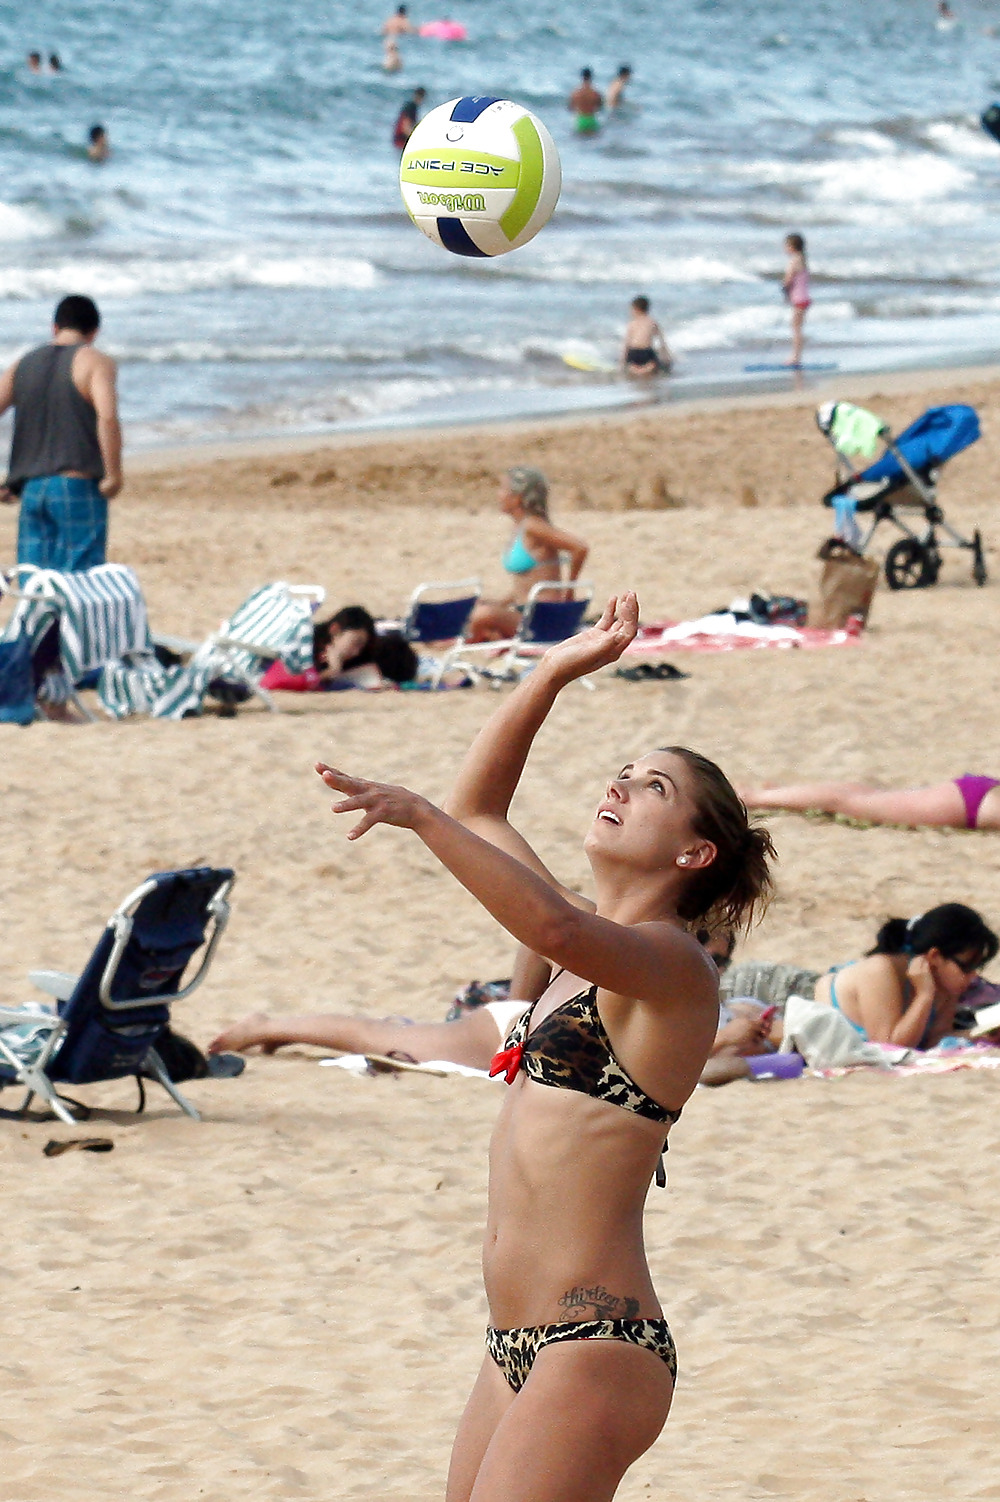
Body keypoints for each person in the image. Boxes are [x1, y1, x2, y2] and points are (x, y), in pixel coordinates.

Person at [313, 591, 775, 1501]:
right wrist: (555, 670)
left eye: (654, 789)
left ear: (694, 855)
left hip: (596, 1344)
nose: (620, 787)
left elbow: (551, 923)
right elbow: (479, 805)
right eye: (623, 771)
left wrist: (415, 816)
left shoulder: (671, 967)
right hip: (512, 1346)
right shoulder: (585, 958)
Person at [0, 295, 123, 572]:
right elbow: (107, 418)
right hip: (76, 484)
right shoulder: (94, 361)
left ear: (54, 327)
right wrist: (114, 474)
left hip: (31, 488)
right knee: (78, 582)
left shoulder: (24, 363)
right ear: (94, 332)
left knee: (35, 584)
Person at [815, 905, 997, 1048]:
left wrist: (983, 1034)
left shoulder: (945, 982)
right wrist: (924, 995)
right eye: (966, 967)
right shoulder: (880, 970)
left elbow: (934, 1040)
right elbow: (889, 1047)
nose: (973, 976)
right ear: (934, 956)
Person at [466, 465, 590, 643]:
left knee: (483, 615)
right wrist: (501, 603)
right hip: (524, 611)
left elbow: (580, 548)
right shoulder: (521, 527)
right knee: (478, 607)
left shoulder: (534, 526)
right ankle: (470, 639)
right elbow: (526, 583)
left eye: (503, 489)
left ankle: (459, 644)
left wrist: (569, 589)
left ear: (517, 498)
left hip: (543, 618)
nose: (498, 495)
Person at [740, 775, 1000, 832]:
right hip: (970, 805)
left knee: (865, 797)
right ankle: (756, 798)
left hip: (975, 800)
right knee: (849, 801)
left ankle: (786, 793)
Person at [260, 607, 418, 692]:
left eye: (360, 646)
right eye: (355, 643)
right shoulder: (306, 643)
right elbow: (295, 681)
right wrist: (333, 670)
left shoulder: (358, 656)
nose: (356, 651)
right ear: (335, 630)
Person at [622, 295, 672, 378]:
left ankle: (635, 369)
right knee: (656, 364)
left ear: (635, 309)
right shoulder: (652, 322)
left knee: (631, 364)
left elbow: (626, 343)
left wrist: (623, 360)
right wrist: (667, 356)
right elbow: (662, 342)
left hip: (634, 352)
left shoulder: (632, 324)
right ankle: (647, 368)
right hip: (647, 353)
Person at [782, 233, 810, 368]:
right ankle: (796, 356)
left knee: (796, 329)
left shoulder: (794, 260)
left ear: (792, 247)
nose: (785, 248)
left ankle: (795, 357)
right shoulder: (803, 259)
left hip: (799, 299)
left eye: (786, 246)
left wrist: (785, 291)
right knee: (797, 328)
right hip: (804, 298)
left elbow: (788, 280)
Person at [569, 68, 603, 134]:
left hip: (581, 120)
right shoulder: (595, 93)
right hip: (592, 119)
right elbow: (600, 108)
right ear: (591, 77)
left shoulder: (575, 93)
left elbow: (570, 108)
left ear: (582, 77)